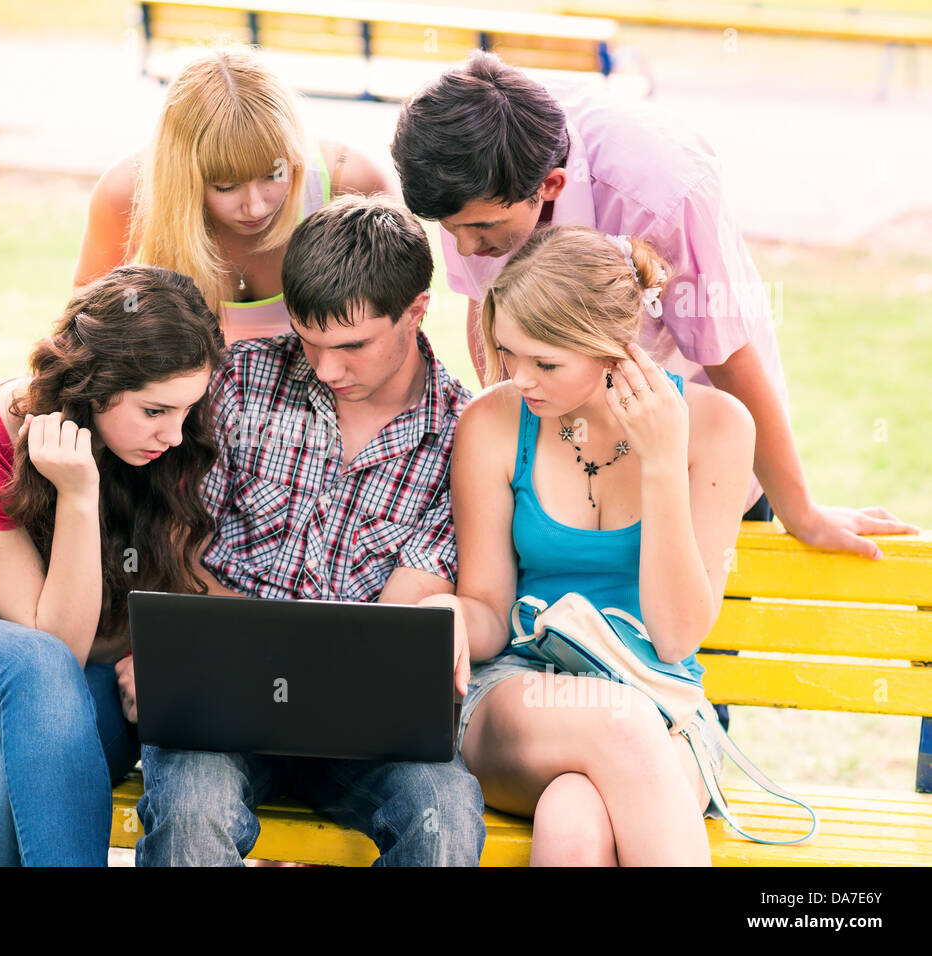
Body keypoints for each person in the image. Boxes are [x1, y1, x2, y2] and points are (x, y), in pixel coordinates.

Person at [391, 51, 918, 558]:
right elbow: (484, 310)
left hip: (688, 436)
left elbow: (728, 353)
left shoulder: (665, 186)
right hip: (566, 460)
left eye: (482, 228)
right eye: (450, 229)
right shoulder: (468, 165)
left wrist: (800, 511)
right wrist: (518, 452)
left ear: (549, 186)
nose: (464, 249)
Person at [125, 194, 487, 867]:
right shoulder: (242, 381)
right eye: (309, 340)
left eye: (352, 346)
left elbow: (400, 620)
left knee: (444, 816)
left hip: (367, 732)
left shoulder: (460, 437)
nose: (325, 369)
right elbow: (179, 544)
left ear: (416, 310)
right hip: (218, 705)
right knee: (192, 805)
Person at [0, 265, 225, 866]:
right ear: (96, 383)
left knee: (6, 769)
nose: (174, 433)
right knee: (37, 668)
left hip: (77, 686)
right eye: (155, 410)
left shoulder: (165, 447)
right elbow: (52, 646)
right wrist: (80, 495)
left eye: (186, 410)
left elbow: (96, 632)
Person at [433, 224, 753, 865]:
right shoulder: (493, 423)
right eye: (508, 353)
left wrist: (663, 462)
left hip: (660, 701)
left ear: (615, 351)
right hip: (521, 694)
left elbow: (677, 637)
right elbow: (490, 614)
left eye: (546, 363)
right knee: (616, 723)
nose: (519, 378)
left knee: (573, 821)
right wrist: (447, 615)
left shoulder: (718, 427)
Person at [74, 46, 392, 346]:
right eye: (226, 186)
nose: (255, 206)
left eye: (274, 175)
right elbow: (84, 325)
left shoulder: (350, 184)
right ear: (184, 176)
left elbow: (396, 330)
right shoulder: (128, 192)